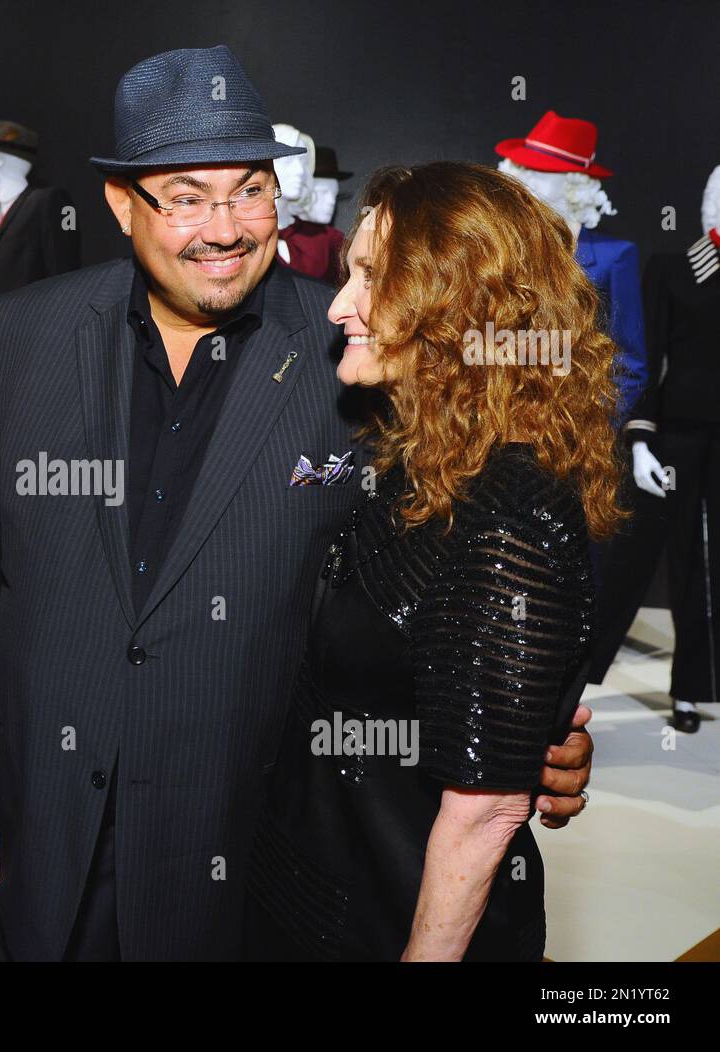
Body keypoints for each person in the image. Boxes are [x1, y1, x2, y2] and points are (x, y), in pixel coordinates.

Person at [0, 46, 595, 961]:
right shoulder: (23, 335)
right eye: (184, 195)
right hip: (42, 833)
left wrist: (528, 736)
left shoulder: (363, 368)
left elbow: (442, 605)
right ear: (119, 204)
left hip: (246, 869)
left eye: (249, 190)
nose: (224, 228)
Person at [246, 162, 624, 960]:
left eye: (372, 279)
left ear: (458, 306)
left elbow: (482, 813)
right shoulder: (415, 462)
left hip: (392, 928)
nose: (341, 304)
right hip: (311, 896)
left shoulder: (508, 511)